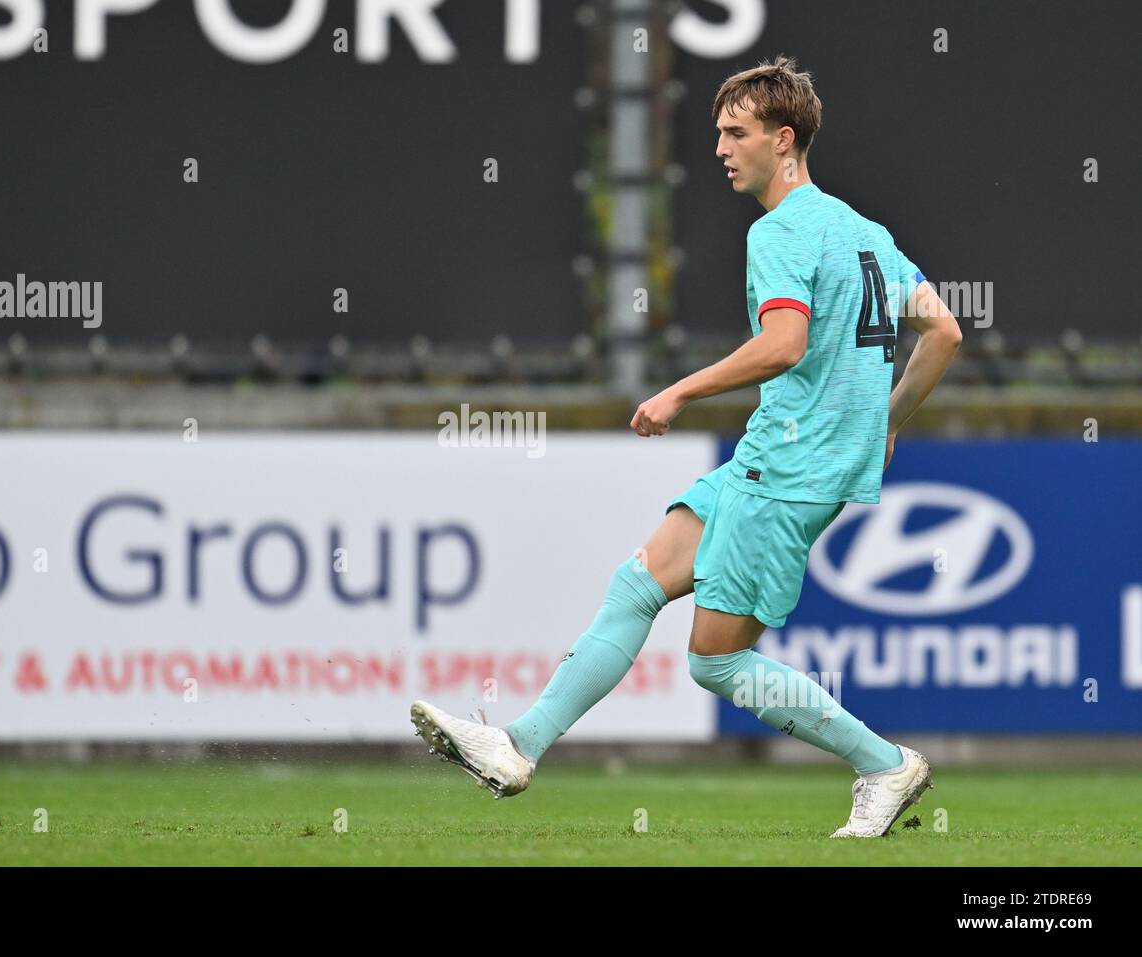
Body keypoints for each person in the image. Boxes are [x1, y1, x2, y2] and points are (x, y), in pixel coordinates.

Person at [411, 55, 963, 838]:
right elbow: (943, 330)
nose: (720, 149)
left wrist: (678, 391)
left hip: (790, 471)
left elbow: (782, 344)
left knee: (715, 661)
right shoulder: (864, 232)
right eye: (717, 133)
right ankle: (516, 746)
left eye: (736, 133)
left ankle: (882, 762)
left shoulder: (780, 230)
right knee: (639, 581)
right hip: (781, 458)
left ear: (785, 140)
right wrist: (887, 424)